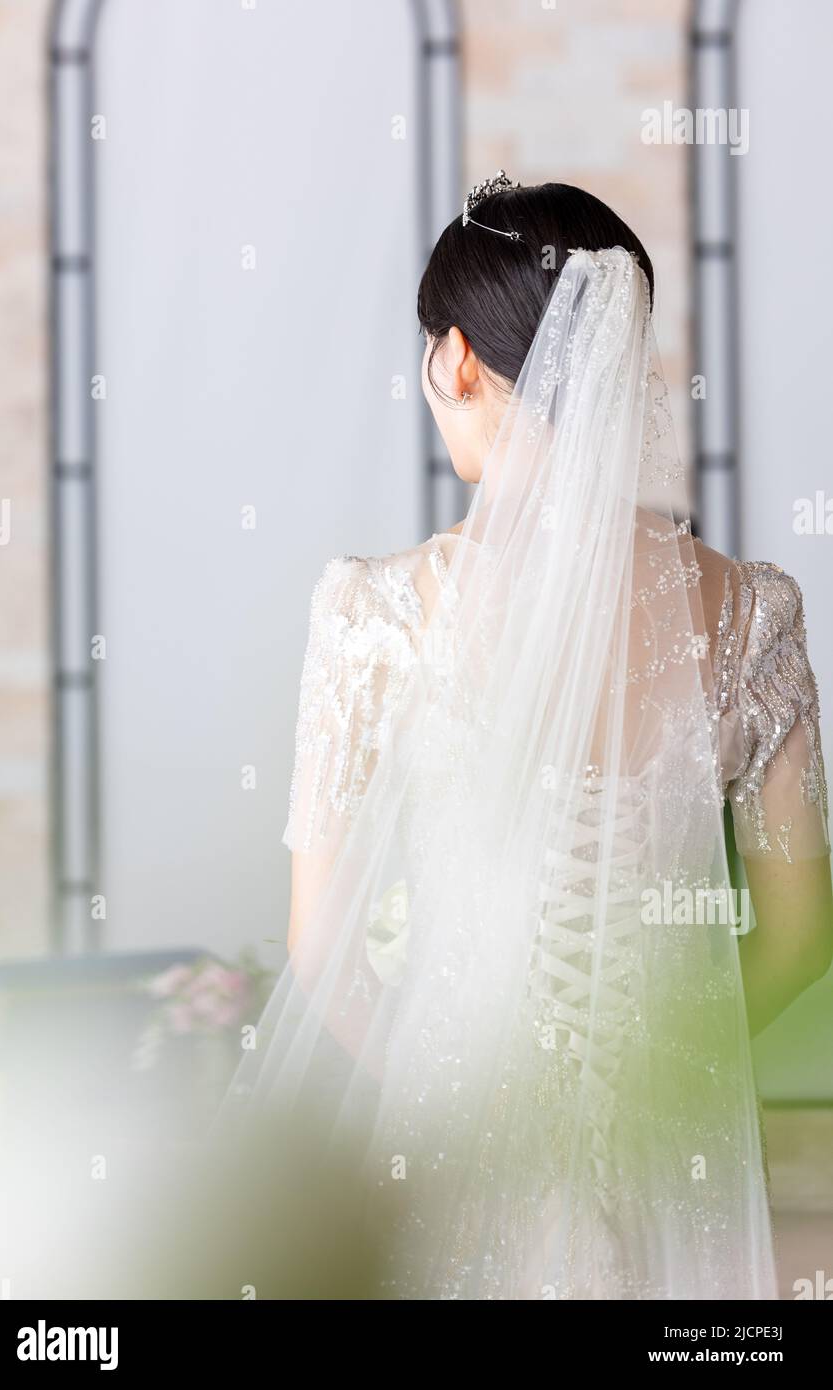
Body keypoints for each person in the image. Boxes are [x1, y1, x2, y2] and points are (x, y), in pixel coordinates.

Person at [227, 179, 832, 1300]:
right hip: (670, 1162)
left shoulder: (376, 614)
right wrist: (654, 1080)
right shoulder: (751, 615)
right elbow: (800, 935)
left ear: (453, 361)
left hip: (455, 1162)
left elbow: (324, 958)